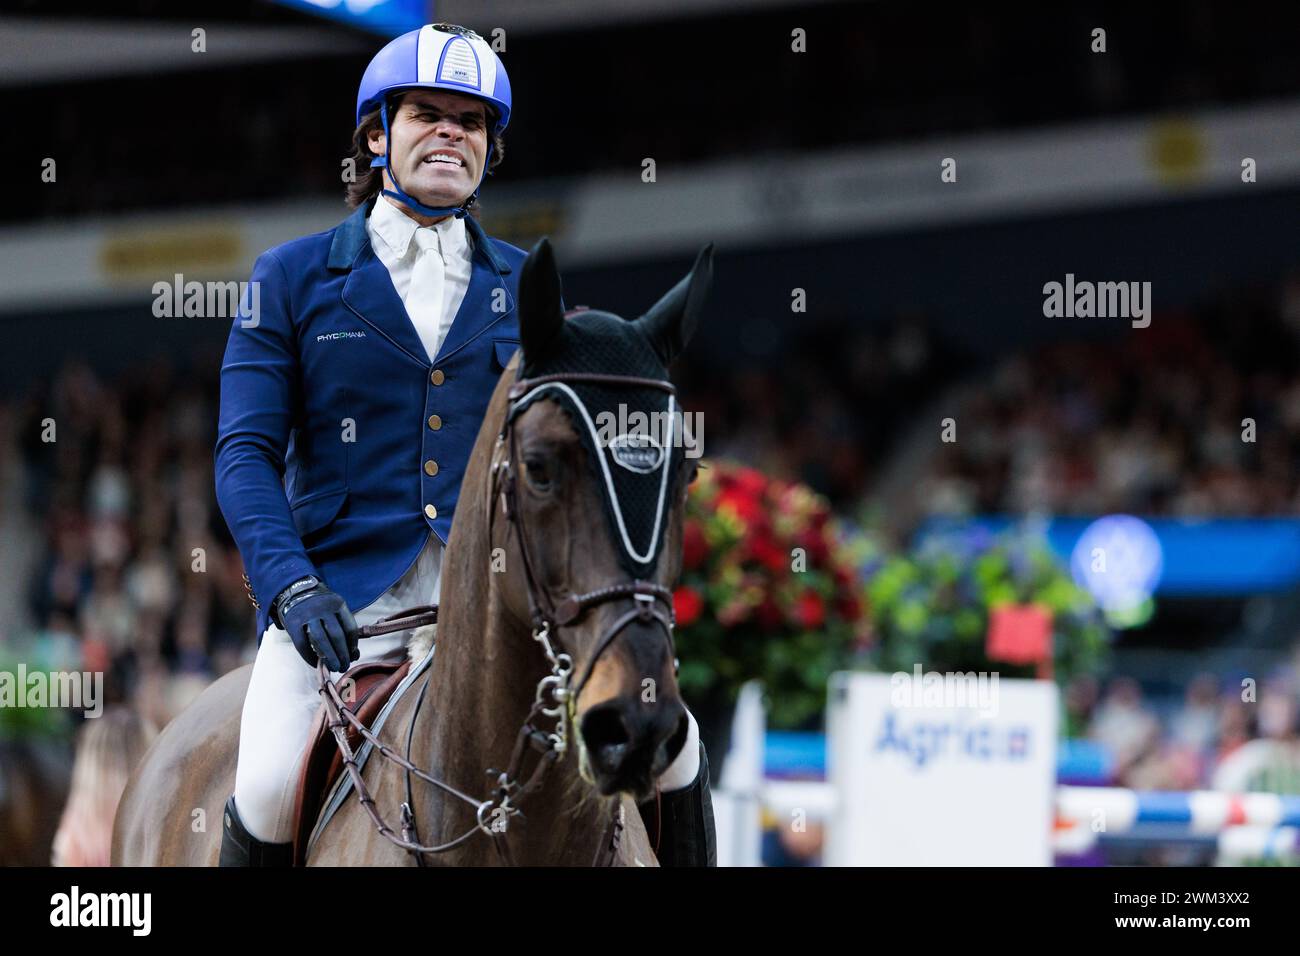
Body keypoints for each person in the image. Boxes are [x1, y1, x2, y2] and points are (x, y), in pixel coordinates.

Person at [214, 23, 714, 866]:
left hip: (501, 614)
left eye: (471, 121)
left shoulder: (530, 286)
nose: (451, 132)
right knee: (265, 784)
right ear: (377, 135)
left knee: (681, 752)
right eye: (427, 114)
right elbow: (244, 456)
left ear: (489, 150)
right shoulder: (291, 278)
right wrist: (292, 588)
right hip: (342, 618)